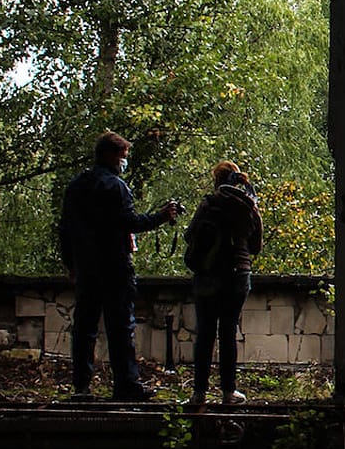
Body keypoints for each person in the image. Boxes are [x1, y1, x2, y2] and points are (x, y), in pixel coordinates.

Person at [58, 131, 179, 401]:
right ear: (111, 155)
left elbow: (65, 229)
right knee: (121, 327)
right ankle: (126, 384)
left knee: (84, 327)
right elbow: (130, 222)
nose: (124, 162)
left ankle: (81, 386)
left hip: (87, 266)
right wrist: (160, 217)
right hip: (115, 266)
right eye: (123, 157)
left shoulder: (77, 186)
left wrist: (71, 263)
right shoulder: (116, 187)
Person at [184, 160, 264, 407]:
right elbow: (256, 246)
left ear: (217, 180)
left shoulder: (209, 204)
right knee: (228, 332)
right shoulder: (249, 206)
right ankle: (229, 392)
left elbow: (190, 235)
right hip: (237, 273)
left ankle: (199, 393)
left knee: (205, 333)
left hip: (208, 273)